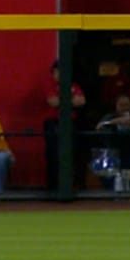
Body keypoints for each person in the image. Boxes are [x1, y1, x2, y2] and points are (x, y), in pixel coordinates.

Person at [44, 60, 87, 189]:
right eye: (57, 71)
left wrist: (62, 100)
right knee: (53, 155)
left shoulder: (74, 86)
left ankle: (72, 184)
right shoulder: (49, 86)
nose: (60, 74)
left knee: (72, 153)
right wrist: (70, 100)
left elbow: (81, 101)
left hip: (70, 123)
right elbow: (53, 102)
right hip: (53, 123)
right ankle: (53, 186)